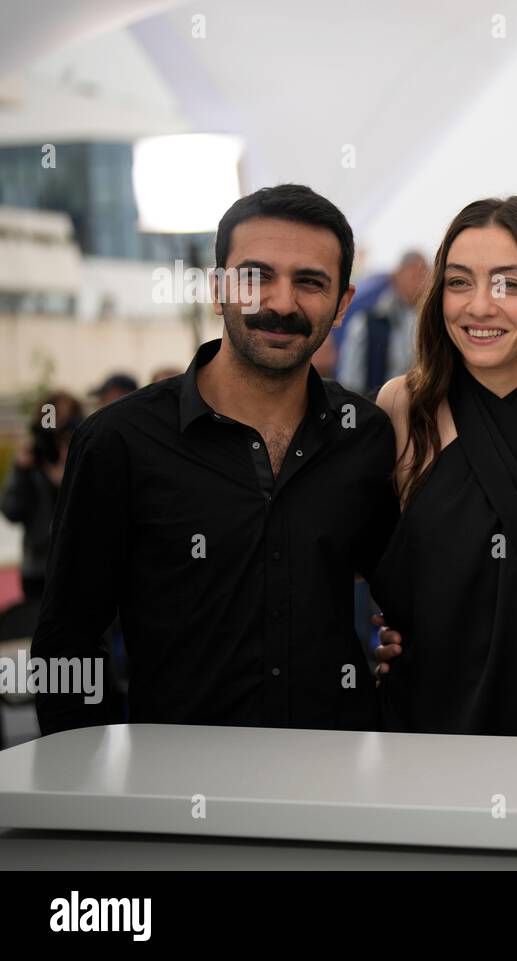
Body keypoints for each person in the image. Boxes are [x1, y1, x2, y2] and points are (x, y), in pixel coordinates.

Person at [32, 184, 399, 734]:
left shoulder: (365, 435)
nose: (280, 303)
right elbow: (69, 641)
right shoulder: (120, 442)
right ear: (219, 288)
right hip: (174, 786)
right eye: (256, 277)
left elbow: (412, 589)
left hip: (336, 777)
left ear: (343, 303)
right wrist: (89, 787)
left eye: (309, 282)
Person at [370, 197, 517, 737]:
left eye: (508, 284)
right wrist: (377, 631)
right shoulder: (400, 406)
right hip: (432, 701)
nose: (480, 306)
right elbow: (363, 556)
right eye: (458, 282)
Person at [1, 392, 83, 602]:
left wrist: (72, 472)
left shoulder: (83, 454)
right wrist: (22, 472)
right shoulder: (32, 459)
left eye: (67, 422)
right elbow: (11, 511)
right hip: (38, 568)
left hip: (80, 562)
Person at [335, 250, 429, 397]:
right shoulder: (368, 322)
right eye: (413, 275)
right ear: (396, 277)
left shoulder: (433, 321)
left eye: (424, 276)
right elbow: (350, 380)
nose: (419, 282)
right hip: (376, 408)